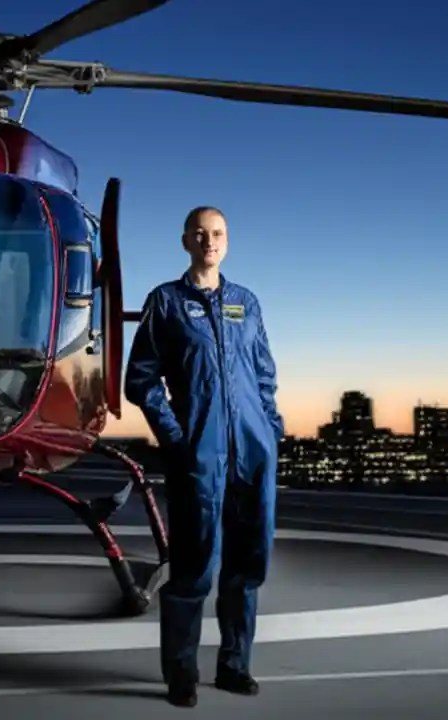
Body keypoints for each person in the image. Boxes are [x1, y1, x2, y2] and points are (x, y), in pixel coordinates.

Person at [124, 206, 284, 708]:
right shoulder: (166, 302)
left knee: (247, 564)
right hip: (200, 455)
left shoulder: (247, 303)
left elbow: (264, 376)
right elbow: (141, 380)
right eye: (200, 234)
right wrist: (176, 438)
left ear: (227, 241)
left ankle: (235, 666)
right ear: (185, 241)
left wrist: (271, 431)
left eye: (217, 234)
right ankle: (181, 673)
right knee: (193, 567)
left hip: (253, 452)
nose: (209, 241)